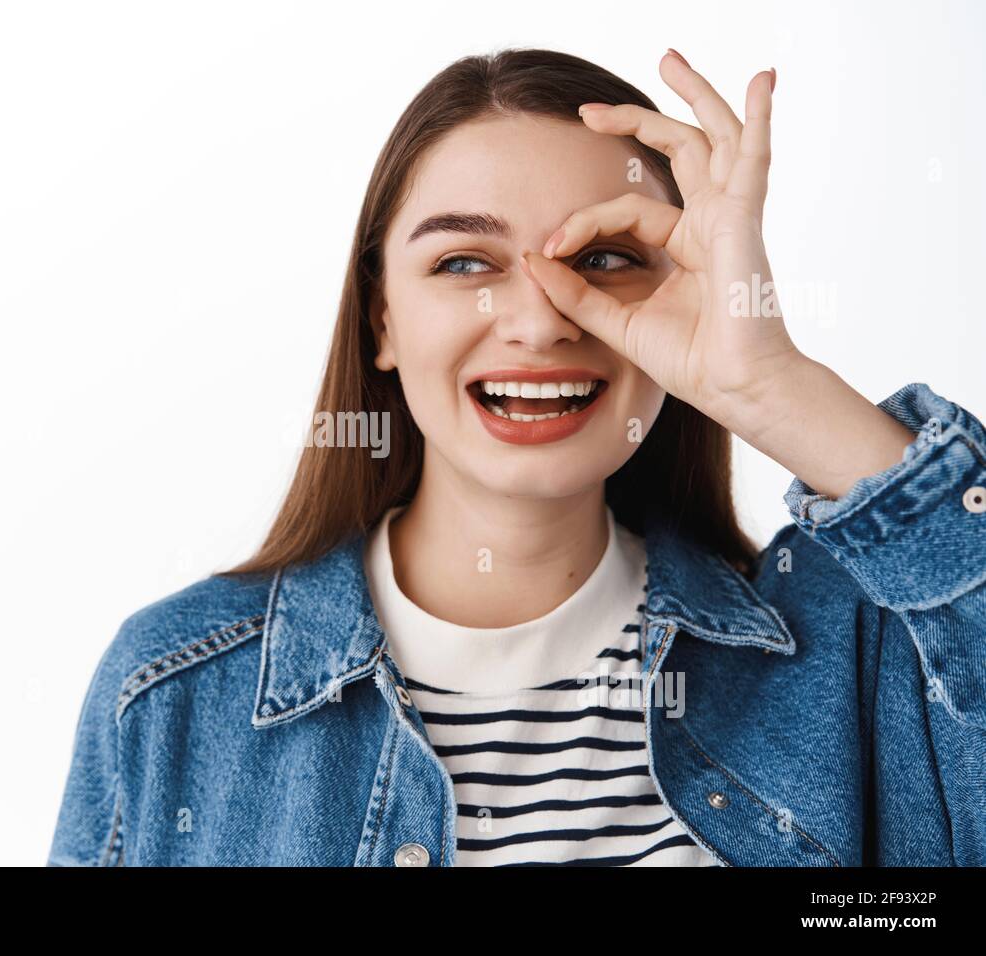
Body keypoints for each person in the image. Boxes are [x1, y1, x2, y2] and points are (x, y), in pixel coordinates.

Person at [48, 47, 986, 866]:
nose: (540, 323)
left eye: (608, 257)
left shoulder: (850, 649)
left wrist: (769, 386)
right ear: (383, 317)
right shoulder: (175, 688)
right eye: (464, 263)